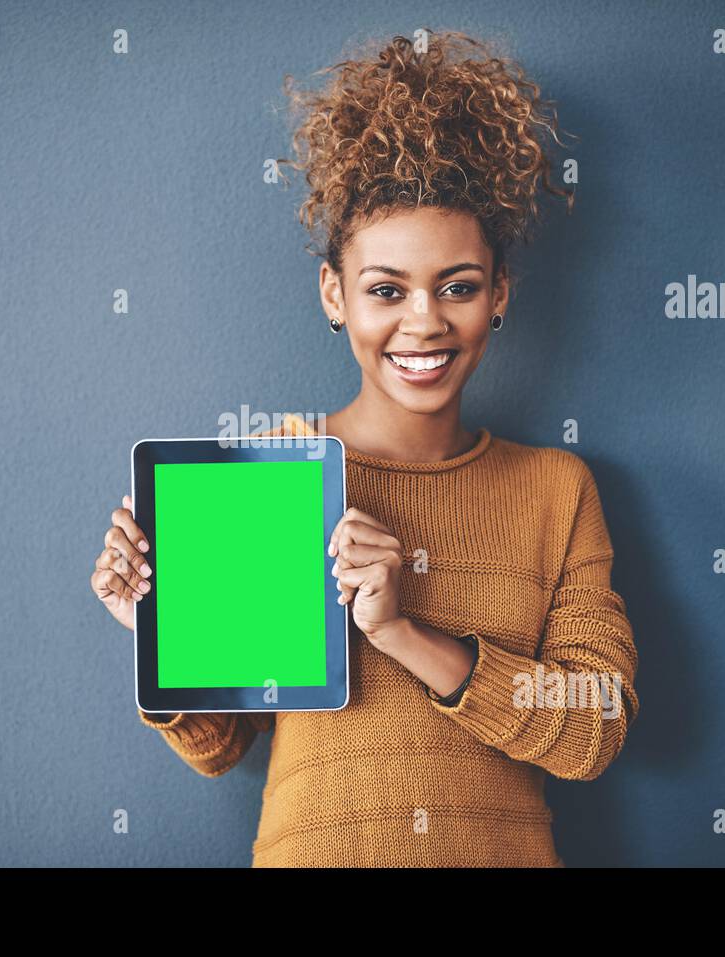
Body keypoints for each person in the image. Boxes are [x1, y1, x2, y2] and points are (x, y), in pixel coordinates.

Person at [90, 30, 639, 867]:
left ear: (499, 294)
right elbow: (219, 746)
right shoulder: (272, 465)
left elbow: (595, 723)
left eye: (457, 286)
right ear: (334, 294)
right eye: (386, 289)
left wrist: (402, 633)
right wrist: (159, 632)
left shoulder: (555, 488)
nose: (423, 322)